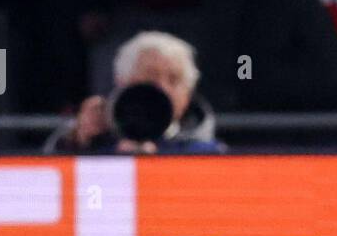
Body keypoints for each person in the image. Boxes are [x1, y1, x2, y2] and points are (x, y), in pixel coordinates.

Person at [48, 31, 222, 155]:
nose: (162, 88)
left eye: (174, 80)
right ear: (122, 82)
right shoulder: (87, 141)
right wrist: (74, 141)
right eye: (150, 76)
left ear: (187, 95)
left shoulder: (210, 155)